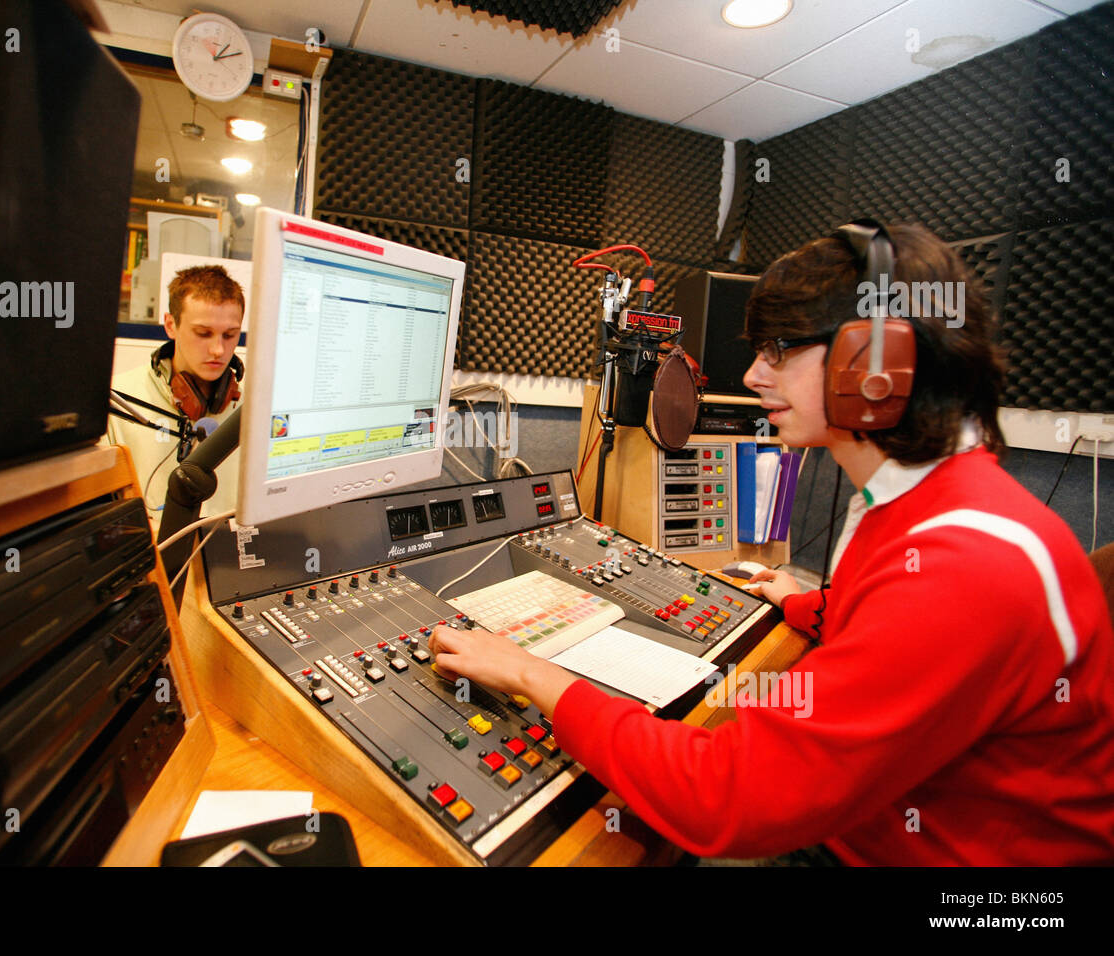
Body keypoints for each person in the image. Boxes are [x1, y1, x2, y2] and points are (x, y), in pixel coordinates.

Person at [430, 222, 1114, 865]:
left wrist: (535, 675)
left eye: (779, 351)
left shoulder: (964, 568)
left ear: (874, 361)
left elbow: (725, 798)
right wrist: (814, 607)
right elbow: (904, 641)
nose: (755, 377)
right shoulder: (928, 500)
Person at [108, 264, 246, 521]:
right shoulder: (118, 403)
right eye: (203, 333)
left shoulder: (256, 407)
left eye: (230, 335)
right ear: (170, 325)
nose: (218, 349)